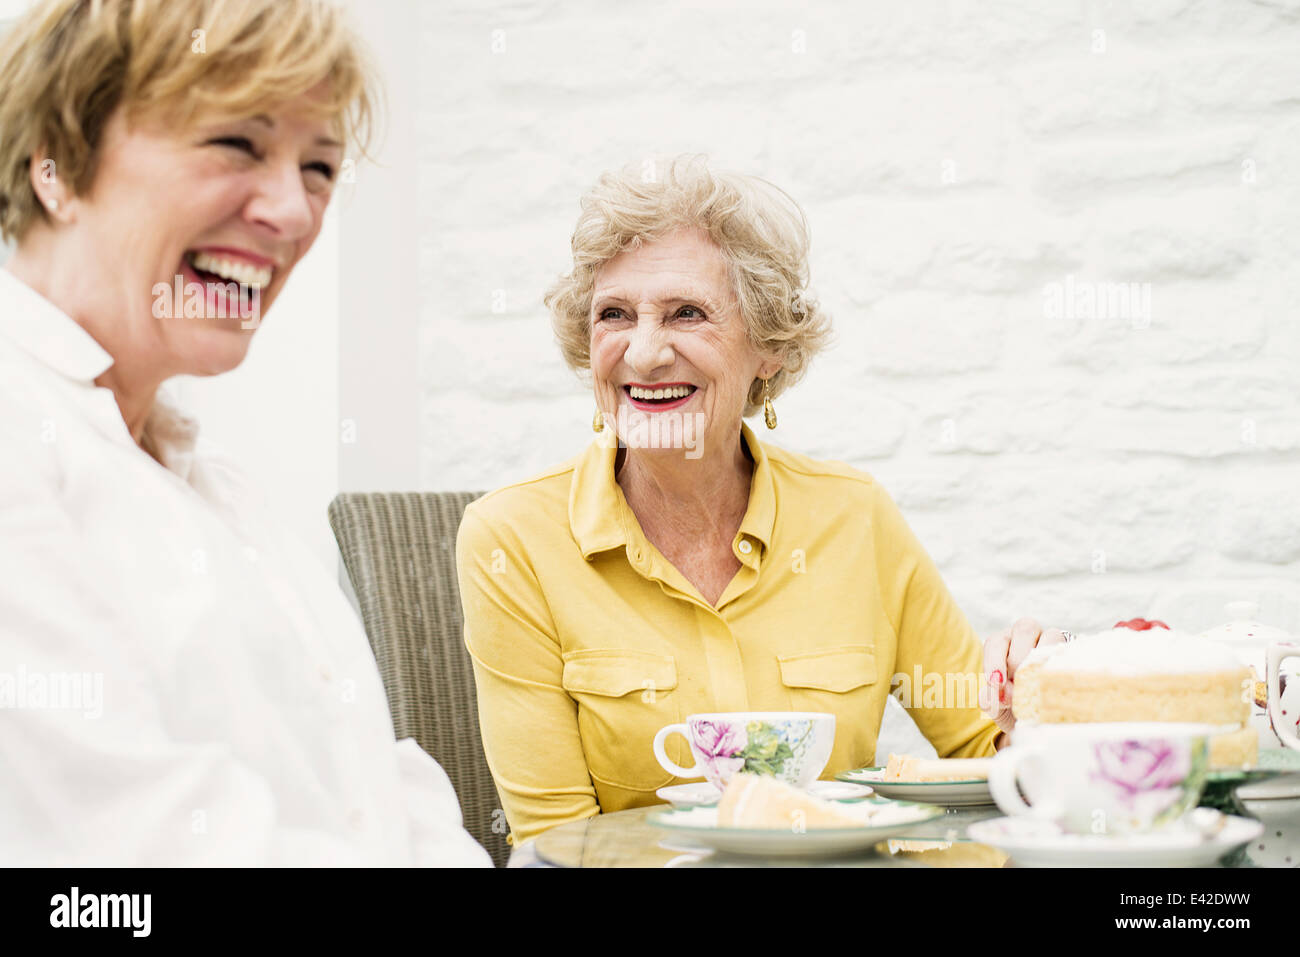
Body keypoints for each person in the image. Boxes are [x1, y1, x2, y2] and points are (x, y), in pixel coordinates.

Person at [0, 0, 489, 866]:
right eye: (236, 143)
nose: (293, 212)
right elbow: (135, 845)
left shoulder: (216, 483)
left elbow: (378, 787)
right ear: (58, 164)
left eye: (320, 167)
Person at [457, 156, 1064, 847]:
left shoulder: (855, 516)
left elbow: (981, 758)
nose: (646, 352)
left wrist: (1035, 714)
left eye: (688, 313)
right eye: (614, 315)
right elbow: (558, 845)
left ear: (767, 347)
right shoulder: (512, 540)